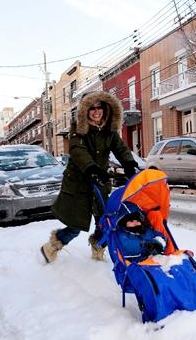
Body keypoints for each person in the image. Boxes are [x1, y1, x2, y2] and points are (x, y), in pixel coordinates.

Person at [41, 91, 138, 263]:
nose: (96, 111)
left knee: (105, 221)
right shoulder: (78, 130)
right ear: (86, 111)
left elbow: (121, 149)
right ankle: (52, 247)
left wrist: (129, 163)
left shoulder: (109, 131)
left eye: (99, 107)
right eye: (91, 108)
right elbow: (78, 151)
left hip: (99, 183)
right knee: (75, 226)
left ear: (105, 108)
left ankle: (98, 248)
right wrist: (91, 168)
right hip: (78, 185)